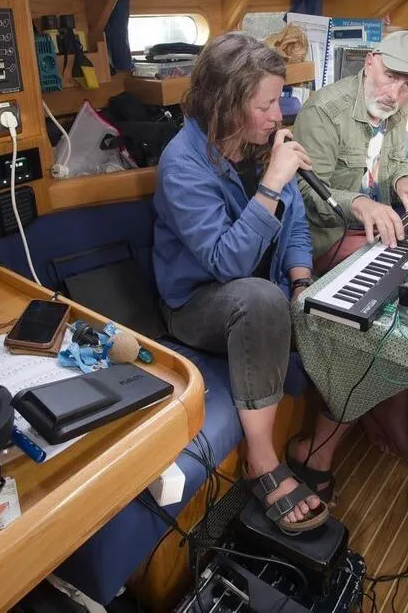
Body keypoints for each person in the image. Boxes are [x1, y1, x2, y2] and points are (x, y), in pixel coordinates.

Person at [153, 32, 351, 533]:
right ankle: (262, 462)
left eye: (278, 102)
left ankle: (316, 451)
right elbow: (226, 264)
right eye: (264, 106)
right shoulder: (182, 165)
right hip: (197, 304)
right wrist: (272, 184)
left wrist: (303, 282)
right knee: (261, 297)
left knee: (333, 313)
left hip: (264, 290)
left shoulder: (258, 144)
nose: (277, 117)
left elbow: (295, 224)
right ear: (226, 105)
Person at [293, 30, 408, 462]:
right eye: (391, 76)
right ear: (371, 60)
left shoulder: (398, 109)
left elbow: (396, 165)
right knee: (392, 305)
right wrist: (358, 203)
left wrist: (407, 182)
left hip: (373, 232)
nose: (395, 94)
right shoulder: (323, 111)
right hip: (325, 237)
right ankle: (371, 420)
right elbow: (303, 193)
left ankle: (384, 416)